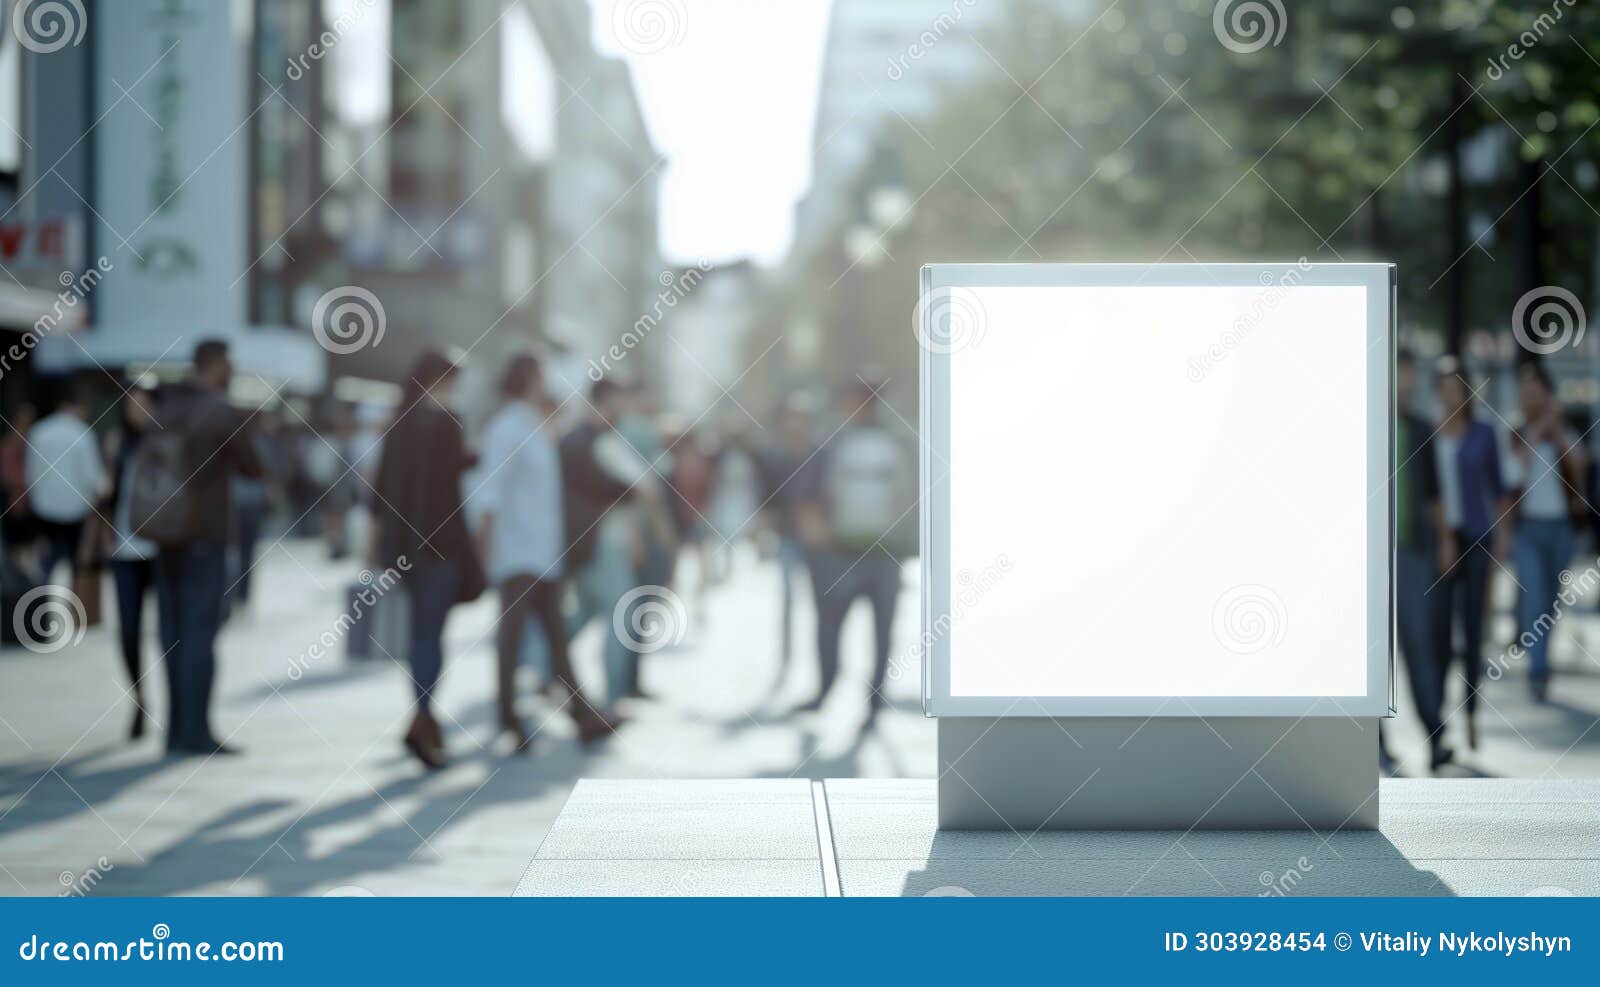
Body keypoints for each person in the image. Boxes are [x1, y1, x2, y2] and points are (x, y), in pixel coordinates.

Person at [478, 355, 617, 750]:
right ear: (528, 380)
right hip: (517, 554)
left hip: (542, 553)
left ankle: (580, 715)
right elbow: (490, 491)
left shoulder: (534, 426)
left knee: (555, 638)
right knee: (513, 638)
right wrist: (487, 550)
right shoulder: (507, 428)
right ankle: (511, 716)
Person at [151, 341, 263, 756]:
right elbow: (254, 466)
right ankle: (197, 733)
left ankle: (175, 731)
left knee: (171, 635)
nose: (232, 370)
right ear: (213, 365)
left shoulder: (163, 406)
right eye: (228, 363)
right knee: (200, 635)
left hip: (163, 534)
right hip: (205, 535)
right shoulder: (218, 410)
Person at [372, 350, 482, 770]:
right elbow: (451, 484)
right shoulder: (447, 422)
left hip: (401, 549)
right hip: (440, 547)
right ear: (437, 381)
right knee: (431, 636)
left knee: (419, 633)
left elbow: (379, 491)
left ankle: (422, 718)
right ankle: (422, 719)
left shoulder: (397, 422)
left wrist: (375, 547)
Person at [794, 378, 916, 729]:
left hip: (886, 553)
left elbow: (911, 496)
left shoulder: (900, 443)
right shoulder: (833, 443)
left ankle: (875, 701)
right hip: (841, 554)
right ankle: (826, 688)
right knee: (830, 626)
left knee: (882, 633)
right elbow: (812, 491)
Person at [1432, 358, 1510, 751]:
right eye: (1444, 387)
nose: (1450, 394)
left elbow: (1499, 490)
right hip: (1442, 541)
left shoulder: (1483, 434)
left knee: (1474, 631)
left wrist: (1502, 541)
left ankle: (1472, 713)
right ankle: (1438, 714)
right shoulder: (1429, 435)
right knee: (1442, 632)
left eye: (1456, 387)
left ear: (1466, 392)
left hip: (1478, 539)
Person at [561, 378, 653, 705]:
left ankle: (540, 663)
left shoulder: (602, 438)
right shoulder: (583, 441)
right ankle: (611, 698)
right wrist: (633, 491)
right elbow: (615, 487)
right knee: (621, 613)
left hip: (601, 543)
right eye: (619, 401)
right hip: (599, 544)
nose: (623, 408)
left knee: (587, 611)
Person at [1506, 361, 1588, 703]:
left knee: (1550, 602)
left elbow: (1579, 467)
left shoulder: (1562, 430)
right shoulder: (1516, 431)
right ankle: (1538, 669)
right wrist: (1540, 428)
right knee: (1533, 596)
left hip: (1560, 528)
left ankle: (1541, 658)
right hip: (1527, 527)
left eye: (1536, 389)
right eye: (1526, 390)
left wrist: (1556, 431)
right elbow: (1513, 471)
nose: (1530, 395)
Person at [1391, 349, 1452, 771]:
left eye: (1407, 374)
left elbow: (1434, 495)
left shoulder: (1421, 429)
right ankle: (1371, 742)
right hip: (1367, 561)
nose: (1402, 381)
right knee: (1371, 656)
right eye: (1396, 373)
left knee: (1420, 645)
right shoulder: (1360, 423)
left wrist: (1445, 542)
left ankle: (1435, 737)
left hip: (1413, 552)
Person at [101, 389, 159, 740]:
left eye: (144, 403)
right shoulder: (117, 442)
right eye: (131, 404)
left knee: (167, 632)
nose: (137, 410)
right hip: (124, 548)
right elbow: (108, 491)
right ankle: (139, 700)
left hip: (159, 549)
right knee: (128, 631)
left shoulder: (166, 441)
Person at [758, 395, 817, 689]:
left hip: (816, 540)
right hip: (787, 537)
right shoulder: (774, 457)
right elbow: (766, 498)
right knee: (787, 600)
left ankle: (820, 663)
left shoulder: (819, 454)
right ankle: (786, 658)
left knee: (822, 602)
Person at [23, 387, 104, 587]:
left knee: (44, 570)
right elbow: (93, 480)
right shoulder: (83, 433)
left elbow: (30, 475)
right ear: (78, 407)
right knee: (76, 574)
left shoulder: (39, 431)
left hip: (43, 512)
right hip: (75, 514)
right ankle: (73, 614)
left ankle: (39, 614)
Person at [1, 404, 37, 558]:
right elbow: (6, 476)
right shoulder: (8, 445)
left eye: (29, 423)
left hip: (31, 504)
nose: (27, 428)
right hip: (14, 503)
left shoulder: (34, 442)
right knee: (13, 548)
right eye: (24, 423)